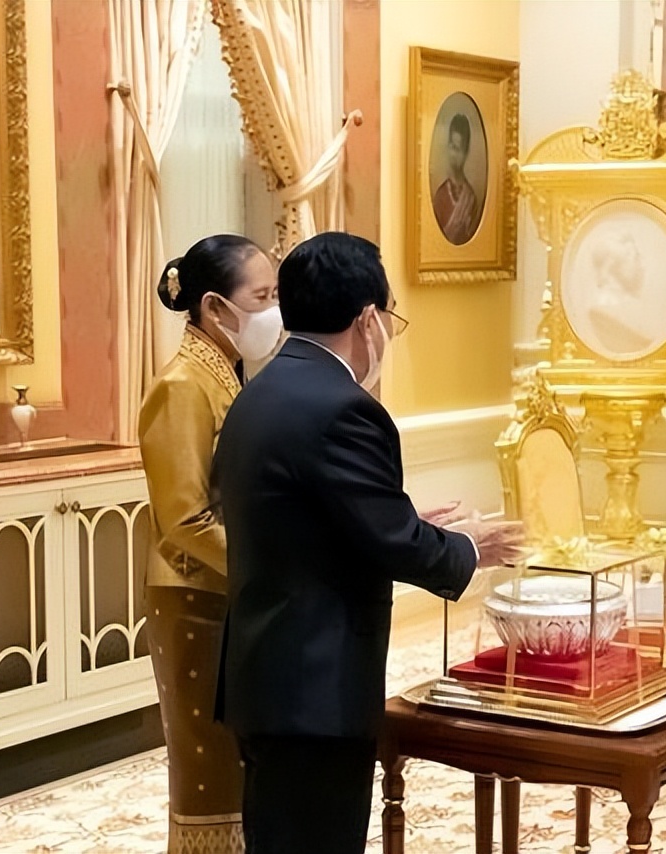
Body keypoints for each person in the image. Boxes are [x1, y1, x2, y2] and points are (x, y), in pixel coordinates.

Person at [210, 231, 522, 854]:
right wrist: (467, 547)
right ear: (368, 319)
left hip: (265, 677)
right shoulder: (343, 407)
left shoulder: (258, 392)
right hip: (316, 692)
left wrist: (410, 523)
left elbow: (324, 518)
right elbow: (391, 539)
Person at [139, 234, 280, 852]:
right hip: (195, 595)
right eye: (264, 296)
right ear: (217, 308)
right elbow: (185, 519)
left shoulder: (226, 373)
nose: (275, 309)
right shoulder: (182, 385)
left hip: (230, 593)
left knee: (239, 765)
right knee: (207, 771)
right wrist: (270, 564)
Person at [432, 112, 481, 245]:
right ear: (448, 147)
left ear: (465, 153)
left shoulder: (470, 198)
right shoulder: (440, 196)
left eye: (460, 150)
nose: (455, 155)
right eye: (453, 147)